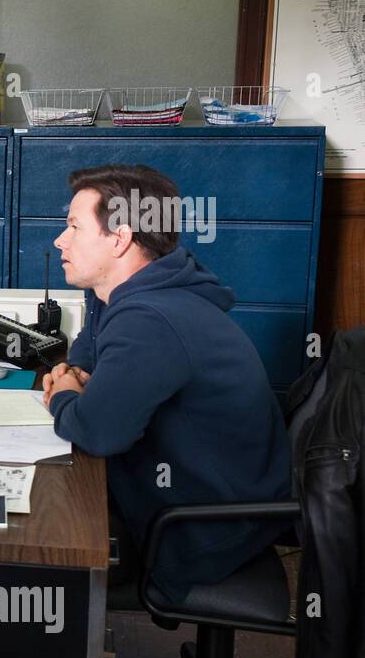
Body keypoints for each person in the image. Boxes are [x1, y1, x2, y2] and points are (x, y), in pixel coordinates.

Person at [42, 164, 291, 604]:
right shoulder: (132, 288)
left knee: (42, 543)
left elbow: (97, 430)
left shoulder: (150, 318)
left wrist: (62, 394)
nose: (61, 240)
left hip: (201, 531)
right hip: (203, 495)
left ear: (119, 239)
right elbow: (87, 347)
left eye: (74, 227)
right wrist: (76, 375)